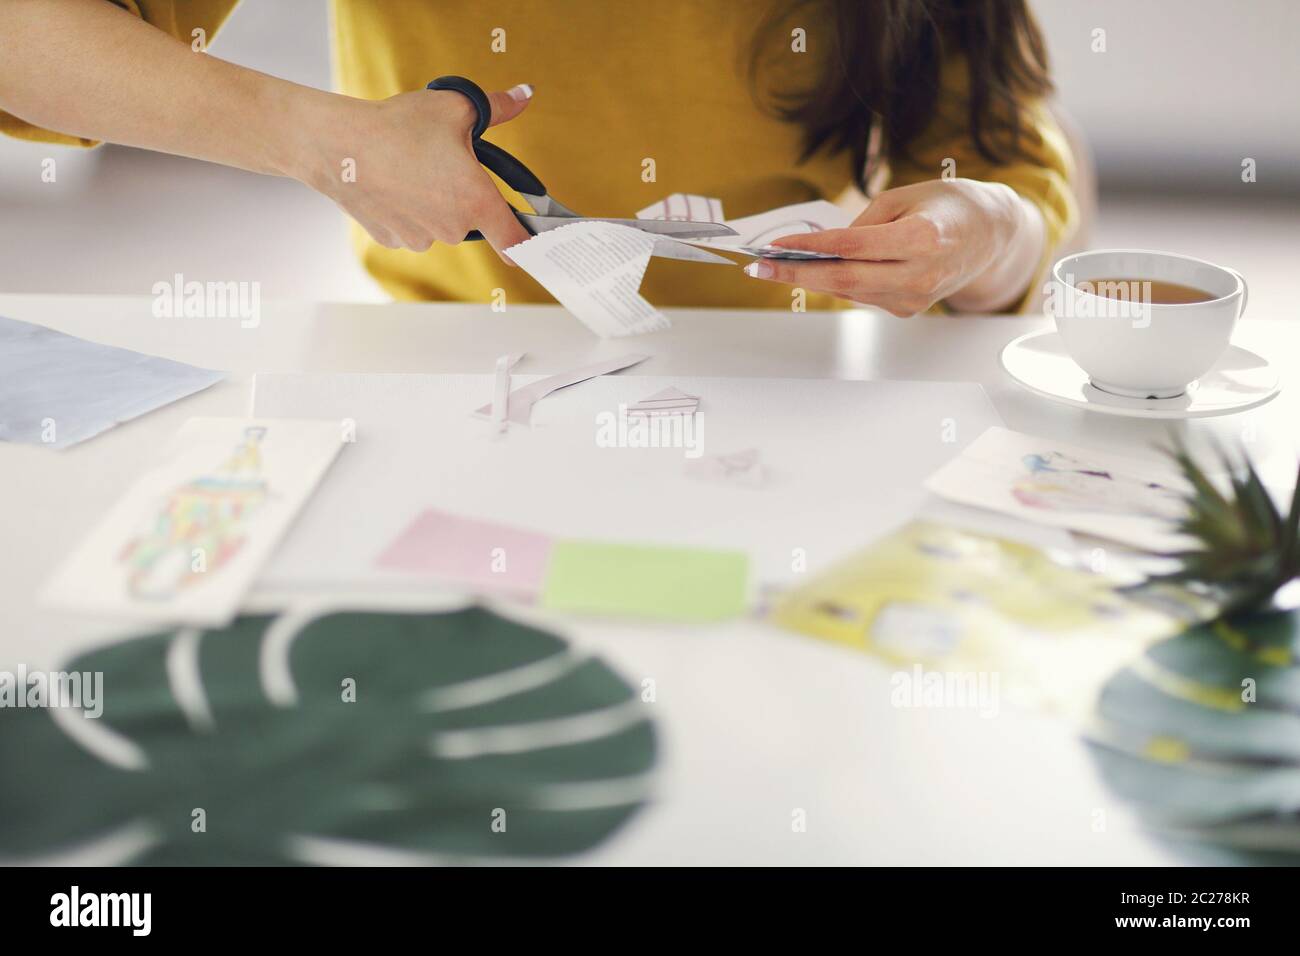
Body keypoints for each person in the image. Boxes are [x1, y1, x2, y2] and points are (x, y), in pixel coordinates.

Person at [0, 0, 1077, 316]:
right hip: (450, 363)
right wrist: (323, 140)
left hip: (791, 380)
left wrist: (979, 233)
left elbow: (1011, 182)